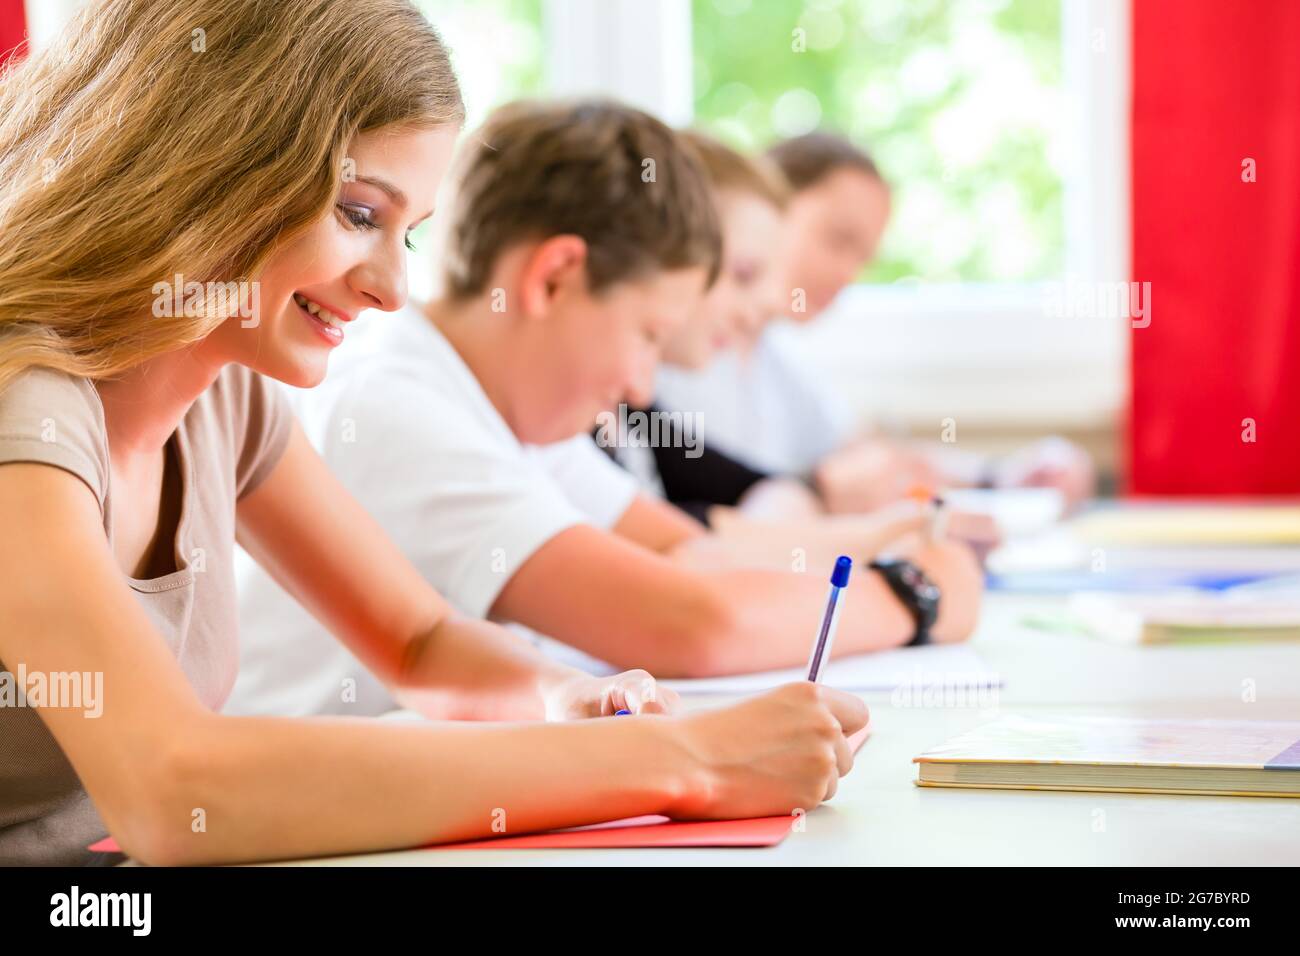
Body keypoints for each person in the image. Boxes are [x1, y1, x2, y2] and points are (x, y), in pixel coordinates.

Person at [0, 0, 867, 867]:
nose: (392, 288)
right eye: (357, 214)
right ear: (211, 163)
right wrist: (680, 761)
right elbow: (172, 789)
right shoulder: (25, 408)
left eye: (408, 231)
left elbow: (418, 642)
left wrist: (565, 696)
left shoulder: (226, 397)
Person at [229, 100, 982, 723]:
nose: (645, 388)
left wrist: (886, 543)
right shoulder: (396, 403)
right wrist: (914, 595)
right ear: (554, 279)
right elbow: (684, 621)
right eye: (648, 335)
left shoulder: (510, 411)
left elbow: (685, 553)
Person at [656, 131, 1096, 514]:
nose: (847, 273)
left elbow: (867, 455)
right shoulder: (673, 356)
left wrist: (1001, 475)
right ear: (770, 204)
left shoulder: (776, 364)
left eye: (862, 258)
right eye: (838, 239)